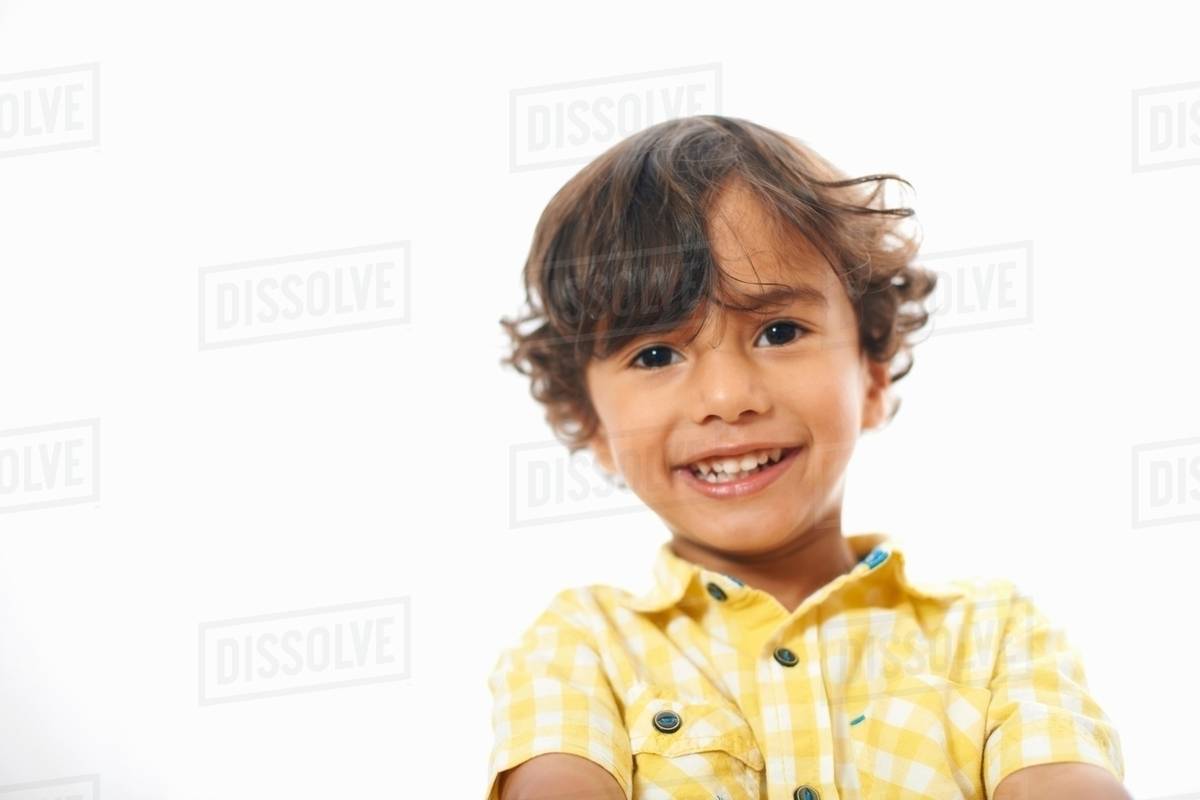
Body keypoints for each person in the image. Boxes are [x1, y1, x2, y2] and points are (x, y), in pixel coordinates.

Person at [488, 115, 1128, 799]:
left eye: (779, 330)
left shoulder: (997, 638)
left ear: (873, 376)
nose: (727, 396)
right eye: (654, 354)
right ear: (590, 421)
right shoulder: (581, 648)